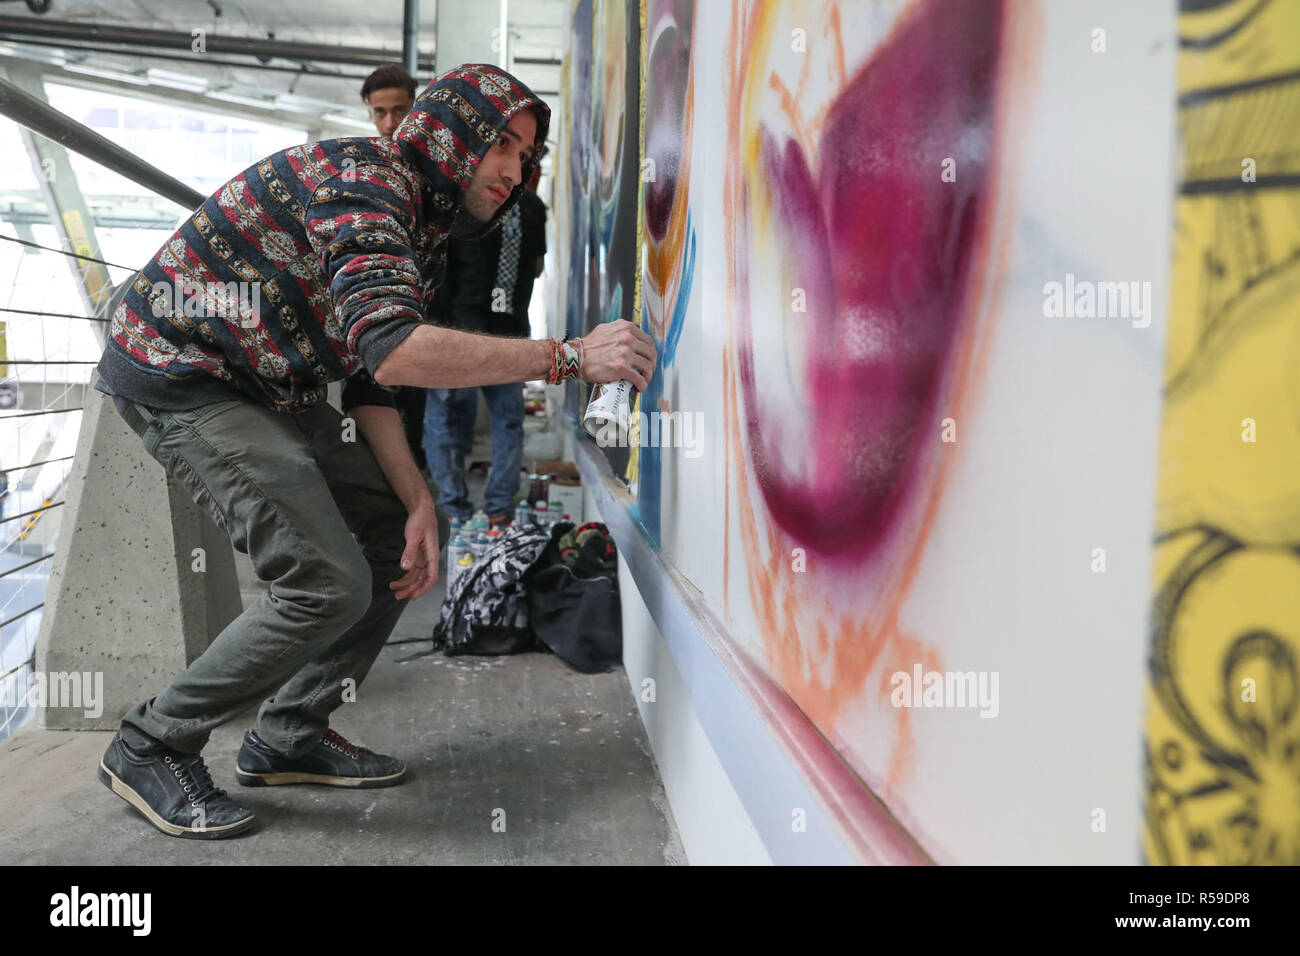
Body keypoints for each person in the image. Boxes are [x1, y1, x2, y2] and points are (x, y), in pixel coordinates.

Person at [92, 63, 656, 839]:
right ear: (451, 133)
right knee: (325, 580)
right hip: (183, 374)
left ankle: (289, 732)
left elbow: (368, 381)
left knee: (396, 533)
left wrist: (420, 501)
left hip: (264, 381)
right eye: (499, 144)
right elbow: (395, 352)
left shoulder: (424, 226)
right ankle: (151, 741)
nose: (513, 171)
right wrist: (564, 357)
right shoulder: (367, 183)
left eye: (526, 157)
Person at [424, 165, 547, 527]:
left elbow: (442, 268)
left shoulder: (468, 202)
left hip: (459, 332)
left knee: (447, 423)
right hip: (502, 331)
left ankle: (456, 512)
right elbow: (537, 267)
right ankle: (497, 511)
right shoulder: (533, 207)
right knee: (505, 422)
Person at [360, 63, 428, 473]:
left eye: (399, 111)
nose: (389, 122)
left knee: (415, 429)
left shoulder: (431, 170)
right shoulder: (362, 167)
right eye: (380, 112)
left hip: (419, 317)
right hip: (368, 321)